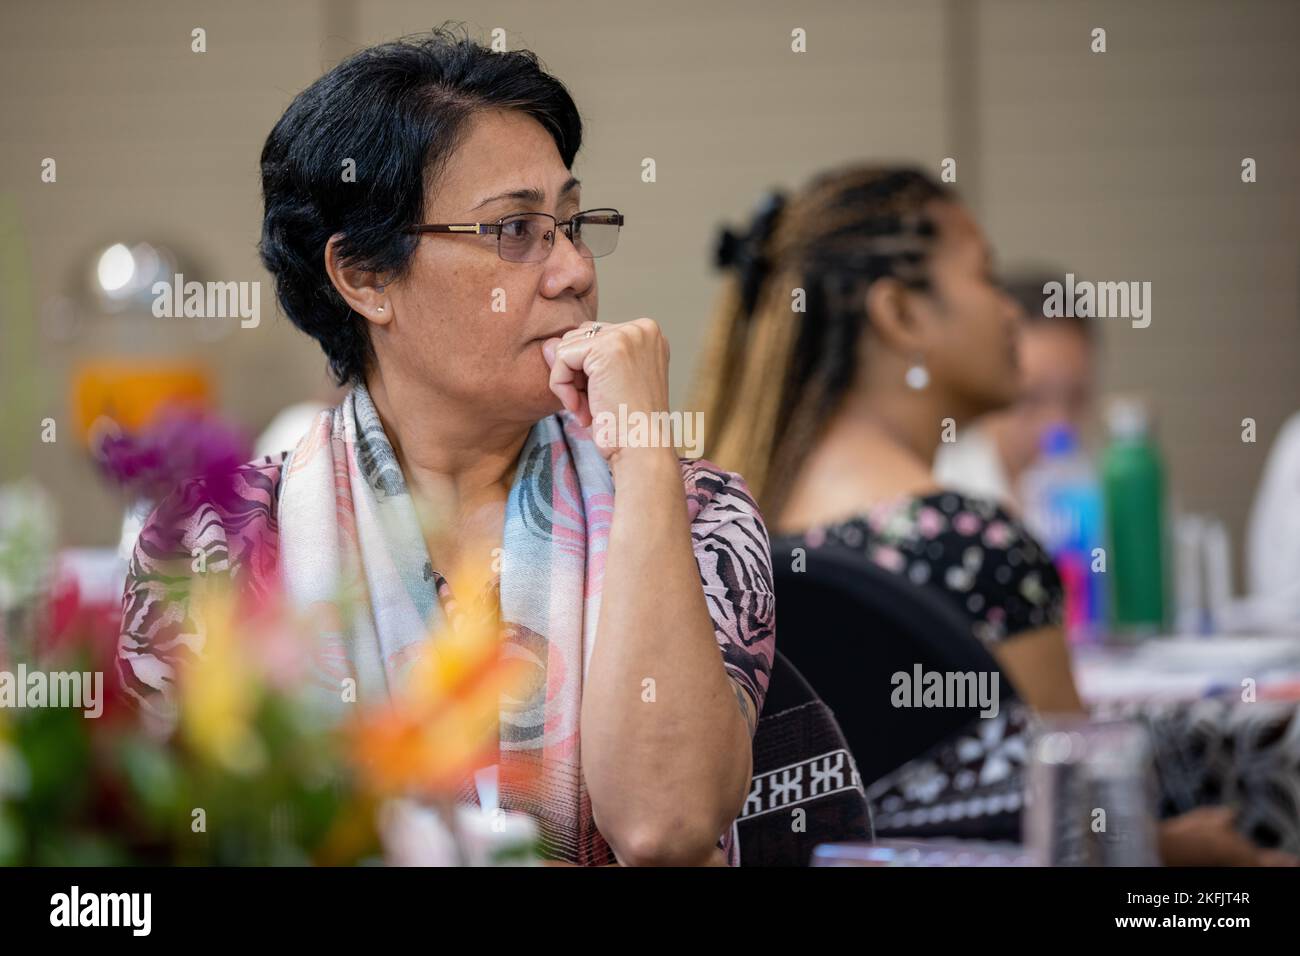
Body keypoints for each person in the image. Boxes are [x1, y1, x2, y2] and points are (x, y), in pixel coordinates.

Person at [118, 28, 775, 867]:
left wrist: (644, 455)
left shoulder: (696, 512)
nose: (573, 270)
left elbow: (666, 826)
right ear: (365, 277)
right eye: (515, 231)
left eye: (573, 224)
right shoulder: (217, 542)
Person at [695, 165, 1295, 864]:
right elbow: (1082, 823)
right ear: (902, 314)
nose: (1011, 310)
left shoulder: (727, 535)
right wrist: (1200, 857)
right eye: (985, 275)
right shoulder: (973, 546)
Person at [934, 273, 1096, 510]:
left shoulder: (1099, 481)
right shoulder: (942, 486)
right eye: (1032, 398)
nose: (1059, 424)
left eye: (1075, 397)